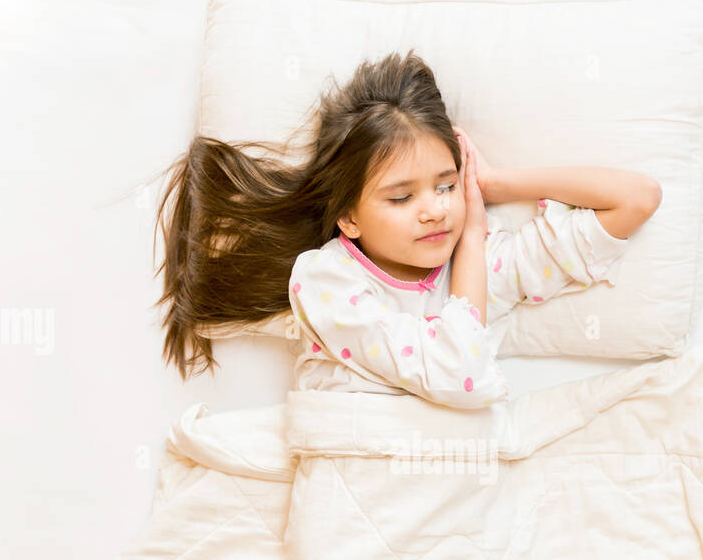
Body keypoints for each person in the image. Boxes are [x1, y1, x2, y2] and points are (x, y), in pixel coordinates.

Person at [154, 50, 662, 408]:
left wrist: (494, 186)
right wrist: (471, 244)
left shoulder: (480, 267)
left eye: (446, 187)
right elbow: (461, 376)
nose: (436, 210)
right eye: (401, 197)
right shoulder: (326, 281)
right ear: (348, 217)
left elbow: (636, 199)